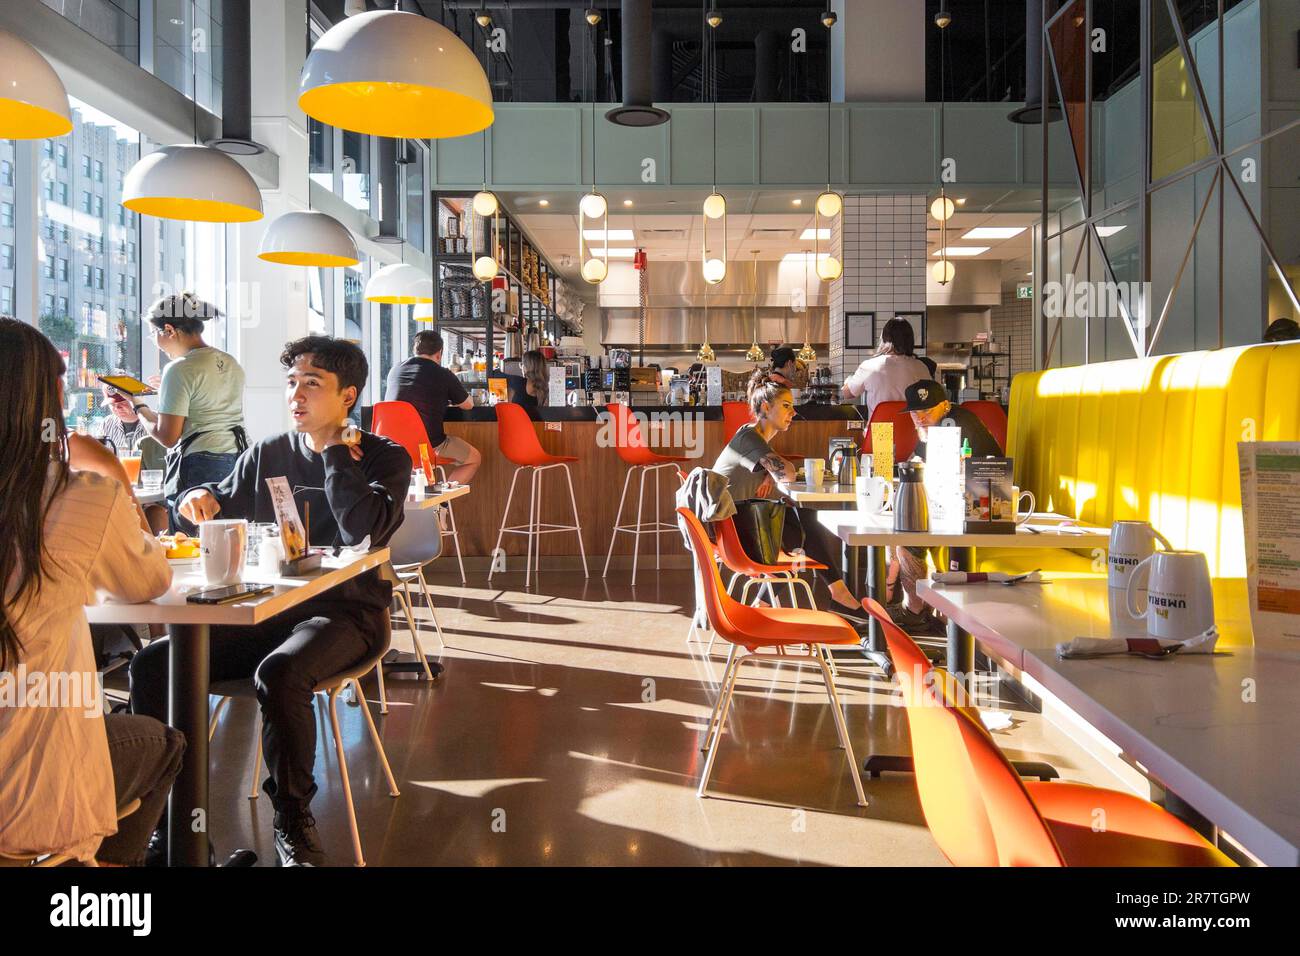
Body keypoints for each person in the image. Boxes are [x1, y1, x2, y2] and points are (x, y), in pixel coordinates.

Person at [129, 335, 411, 867]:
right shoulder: (268, 453)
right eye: (291, 383)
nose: (295, 395)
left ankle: (293, 822)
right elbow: (216, 498)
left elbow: (363, 533)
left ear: (348, 396)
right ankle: (170, 828)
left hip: (349, 613)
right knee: (154, 665)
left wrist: (333, 453)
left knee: (280, 673)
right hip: (271, 609)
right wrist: (197, 497)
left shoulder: (383, 457)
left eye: (312, 384)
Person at [0, 318, 183, 867]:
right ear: (49, 400)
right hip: (28, 801)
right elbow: (149, 581)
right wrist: (107, 475)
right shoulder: (78, 495)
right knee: (163, 744)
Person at [712, 369, 864, 616]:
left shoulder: (752, 436)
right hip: (731, 531)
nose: (793, 413)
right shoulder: (748, 437)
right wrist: (778, 472)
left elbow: (771, 471)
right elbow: (787, 474)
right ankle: (839, 597)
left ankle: (768, 605)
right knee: (803, 526)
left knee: (801, 524)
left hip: (737, 521)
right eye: (785, 406)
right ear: (764, 407)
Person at [892, 378, 1003, 632]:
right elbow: (918, 462)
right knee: (903, 527)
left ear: (944, 405)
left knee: (909, 535)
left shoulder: (954, 425)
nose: (919, 417)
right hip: (957, 506)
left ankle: (915, 610)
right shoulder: (937, 424)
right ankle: (916, 605)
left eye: (926, 410)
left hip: (983, 507)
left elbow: (948, 474)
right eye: (914, 413)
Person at [132, 293, 246, 530]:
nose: (155, 342)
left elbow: (167, 436)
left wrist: (137, 404)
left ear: (169, 330)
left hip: (199, 464)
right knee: (223, 538)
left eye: (154, 334)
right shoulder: (230, 362)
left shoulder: (179, 369)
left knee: (192, 544)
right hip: (235, 458)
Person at [384, 329, 480, 484]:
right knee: (474, 458)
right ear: (439, 353)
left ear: (415, 350)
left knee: (416, 459)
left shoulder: (395, 370)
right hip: (427, 446)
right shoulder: (443, 374)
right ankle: (441, 505)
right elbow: (468, 405)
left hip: (392, 444)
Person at [94, 382, 168, 535]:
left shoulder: (155, 421)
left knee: (155, 512)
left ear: (134, 400)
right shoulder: (107, 424)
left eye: (122, 403)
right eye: (112, 405)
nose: (117, 408)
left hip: (152, 496)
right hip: (118, 492)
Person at [840, 318, 932, 419]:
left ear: (884, 338)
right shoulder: (921, 367)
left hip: (881, 431)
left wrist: (848, 381)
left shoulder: (869, 366)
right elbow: (929, 401)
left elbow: (847, 394)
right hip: (912, 431)